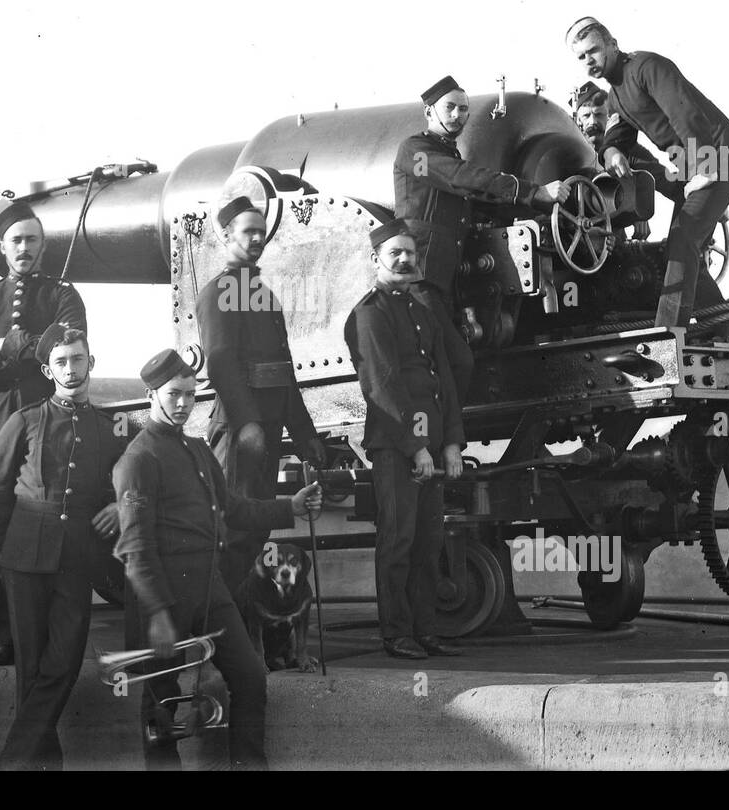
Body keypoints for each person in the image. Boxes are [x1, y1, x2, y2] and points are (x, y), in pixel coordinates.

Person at [113, 348, 323, 770]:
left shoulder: (197, 449)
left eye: (191, 395)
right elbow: (135, 547)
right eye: (174, 394)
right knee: (161, 702)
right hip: (164, 594)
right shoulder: (138, 459)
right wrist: (156, 614)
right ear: (151, 394)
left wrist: (291, 508)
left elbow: (235, 508)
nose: (183, 403)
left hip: (209, 587)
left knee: (249, 677)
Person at [0, 325, 124, 770]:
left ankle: (9, 765)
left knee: (65, 663)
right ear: (47, 369)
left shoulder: (112, 424)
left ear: (90, 362)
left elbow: (137, 477)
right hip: (23, 561)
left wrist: (118, 505)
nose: (71, 370)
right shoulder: (26, 419)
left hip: (77, 561)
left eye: (78, 359)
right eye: (61, 362)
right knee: (32, 670)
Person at [0, 199, 88, 666]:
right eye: (16, 241)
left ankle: (47, 632)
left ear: (42, 245)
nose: (25, 248)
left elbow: (69, 345)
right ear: (2, 247)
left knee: (43, 516)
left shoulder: (63, 295)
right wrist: (32, 348)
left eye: (32, 239)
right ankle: (6, 635)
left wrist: (7, 345)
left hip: (47, 423)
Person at [393, 75, 570, 399]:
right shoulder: (416, 153)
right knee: (450, 362)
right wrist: (533, 191)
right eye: (450, 108)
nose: (458, 115)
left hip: (442, 278)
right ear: (429, 111)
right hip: (419, 277)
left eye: (464, 109)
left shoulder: (445, 154)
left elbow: (475, 201)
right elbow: (460, 179)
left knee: (454, 362)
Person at [566, 16, 729, 328]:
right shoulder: (615, 96)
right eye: (581, 57)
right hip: (696, 166)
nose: (589, 61)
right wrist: (611, 151)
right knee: (679, 251)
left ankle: (668, 333)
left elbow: (685, 112)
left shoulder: (647, 68)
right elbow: (617, 137)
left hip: (723, 156)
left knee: (682, 241)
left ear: (612, 44)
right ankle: (720, 325)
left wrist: (706, 168)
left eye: (593, 51)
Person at [343, 219, 466, 660]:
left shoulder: (419, 309)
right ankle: (397, 634)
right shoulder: (370, 313)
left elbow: (442, 380)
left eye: (410, 253)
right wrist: (417, 447)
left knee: (429, 543)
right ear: (376, 259)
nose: (404, 260)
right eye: (395, 252)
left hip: (428, 445)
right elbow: (383, 387)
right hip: (397, 449)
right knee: (398, 541)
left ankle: (425, 629)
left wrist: (450, 442)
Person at [196, 195, 328, 595]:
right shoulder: (218, 292)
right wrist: (248, 423)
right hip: (240, 434)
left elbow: (283, 374)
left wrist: (305, 436)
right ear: (225, 235)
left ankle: (244, 634)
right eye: (247, 231)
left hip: (266, 432)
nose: (257, 238)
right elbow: (220, 363)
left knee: (257, 530)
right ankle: (221, 631)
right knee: (236, 532)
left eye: (260, 231)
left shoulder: (261, 293)